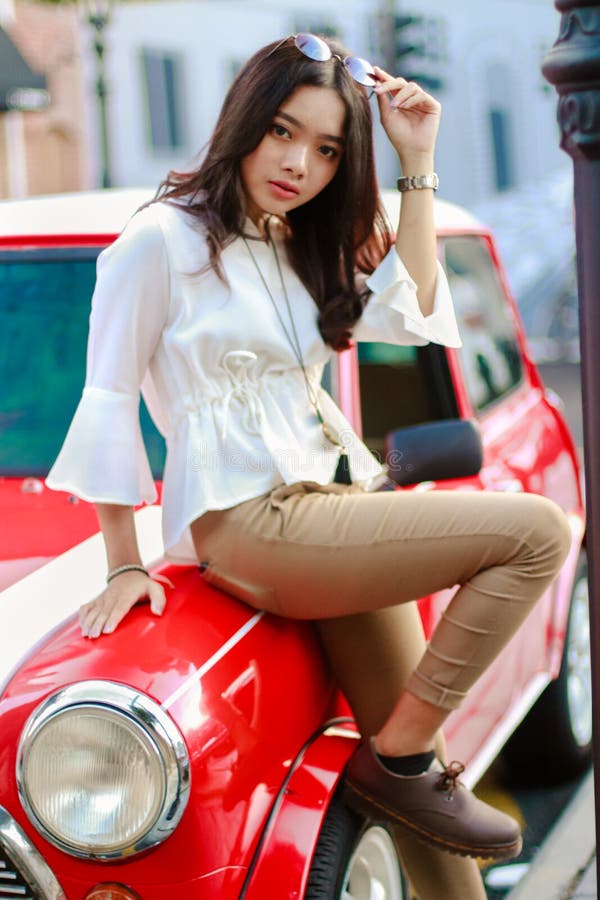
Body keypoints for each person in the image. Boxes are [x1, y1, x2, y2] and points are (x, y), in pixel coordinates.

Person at [46, 33, 571, 899]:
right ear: (246, 122)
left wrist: (418, 158)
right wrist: (124, 562)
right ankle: (395, 759)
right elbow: (105, 397)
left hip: (324, 506)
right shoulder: (160, 241)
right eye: (284, 132)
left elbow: (419, 313)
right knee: (536, 533)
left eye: (327, 148)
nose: (300, 163)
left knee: (431, 815)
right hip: (250, 523)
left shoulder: (295, 242)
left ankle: (402, 765)